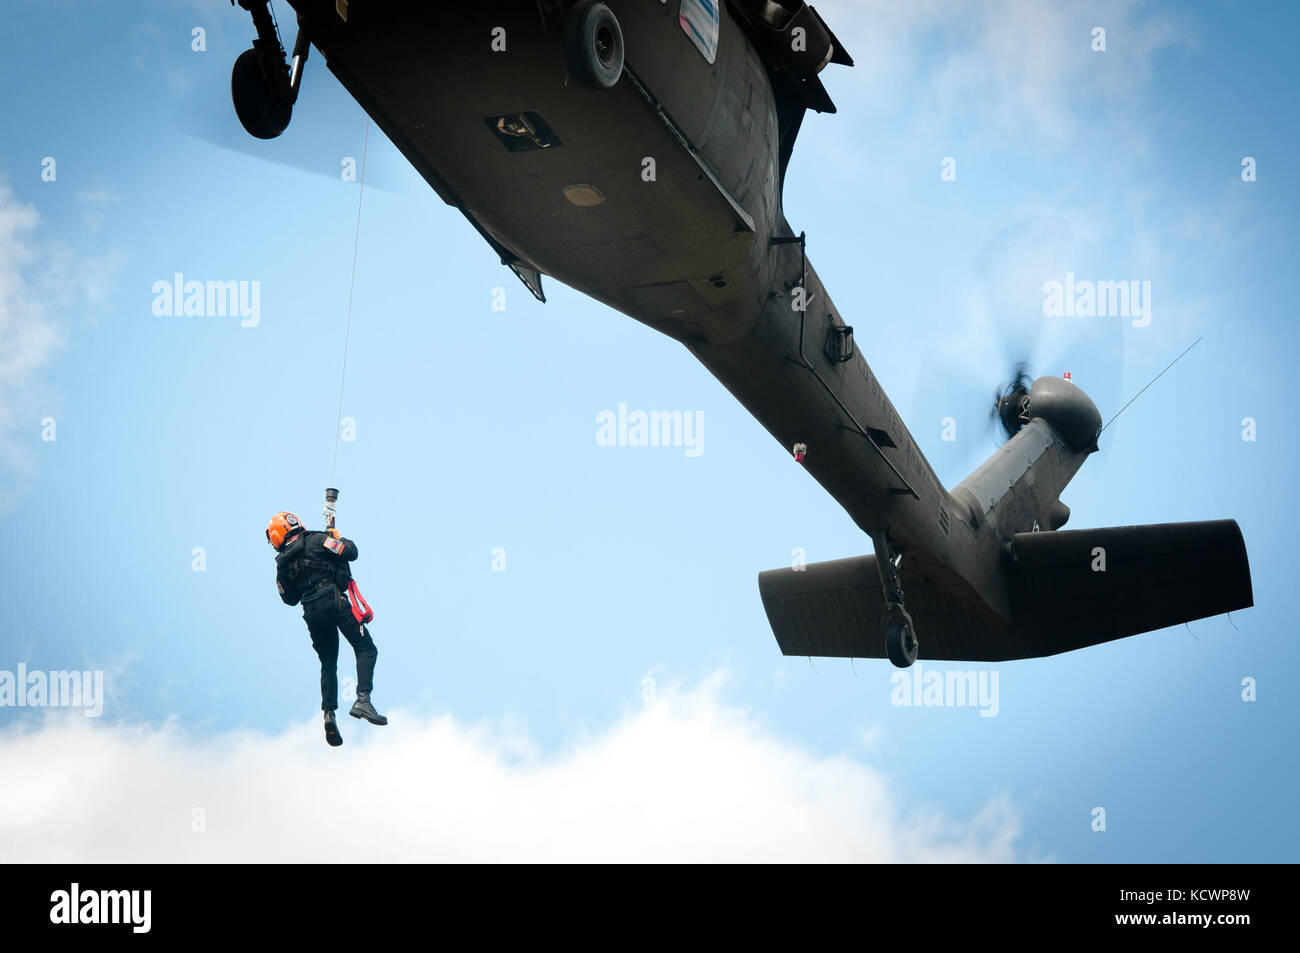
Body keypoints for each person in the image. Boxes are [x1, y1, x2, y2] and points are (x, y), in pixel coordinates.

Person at [265, 511, 387, 746]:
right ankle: (363, 700)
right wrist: (338, 539)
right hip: (334, 600)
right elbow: (351, 552)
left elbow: (289, 599)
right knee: (366, 649)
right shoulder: (318, 540)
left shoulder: (281, 566)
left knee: (328, 662)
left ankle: (329, 714)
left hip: (311, 612)